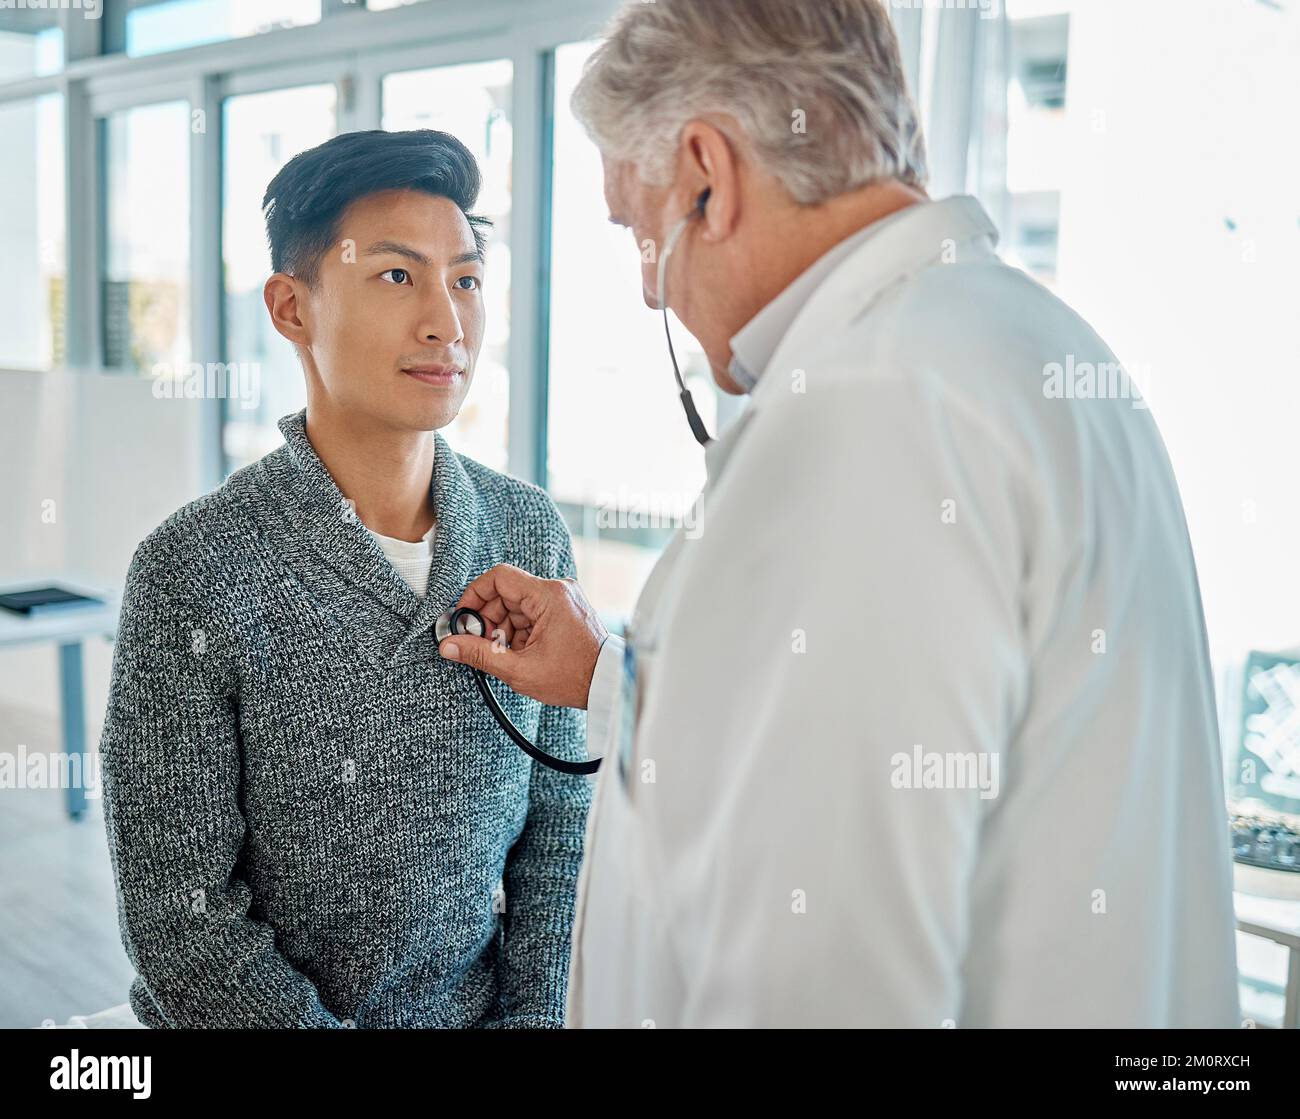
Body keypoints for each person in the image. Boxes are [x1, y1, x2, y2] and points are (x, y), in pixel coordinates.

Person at [437, 0, 1241, 1027]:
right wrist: (611, 681)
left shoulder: (875, 411)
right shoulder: (1018, 345)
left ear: (706, 175)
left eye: (641, 236)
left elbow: (823, 982)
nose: (651, 295)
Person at [99, 129, 591, 1028]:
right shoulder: (193, 569)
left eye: (468, 279)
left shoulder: (528, 536)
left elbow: (560, 831)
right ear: (291, 307)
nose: (446, 319)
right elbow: (181, 919)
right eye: (398, 276)